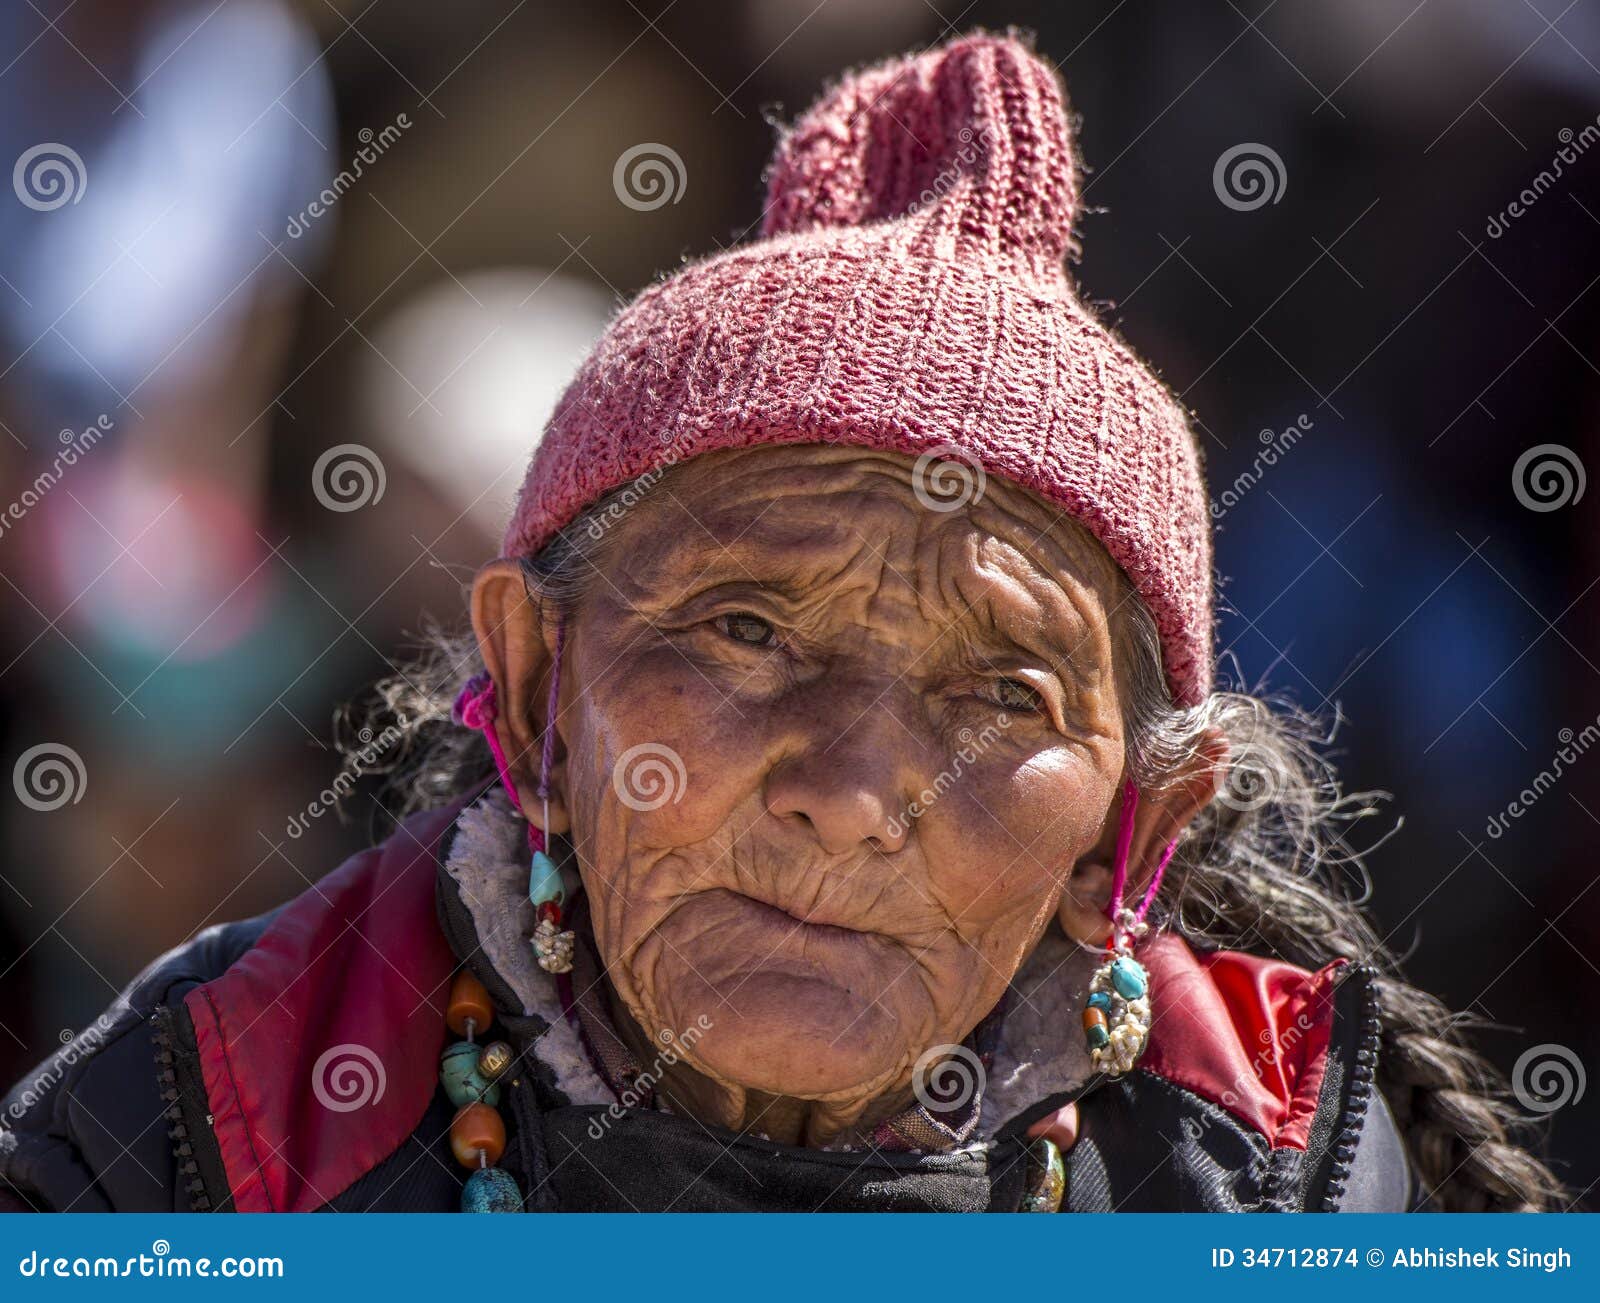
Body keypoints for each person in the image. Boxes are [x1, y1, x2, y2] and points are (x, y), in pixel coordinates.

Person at [0, 31, 1563, 1213]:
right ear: (539, 690)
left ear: (1134, 835)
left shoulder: (1302, 1187)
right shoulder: (193, 1127)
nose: (851, 782)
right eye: (744, 632)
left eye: (1004, 699)